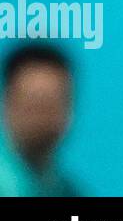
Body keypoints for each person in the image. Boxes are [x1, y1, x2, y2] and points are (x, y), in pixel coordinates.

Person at [1, 44, 81, 196]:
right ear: (6, 103)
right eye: (33, 103)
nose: (41, 117)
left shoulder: (68, 192)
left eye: (52, 104)